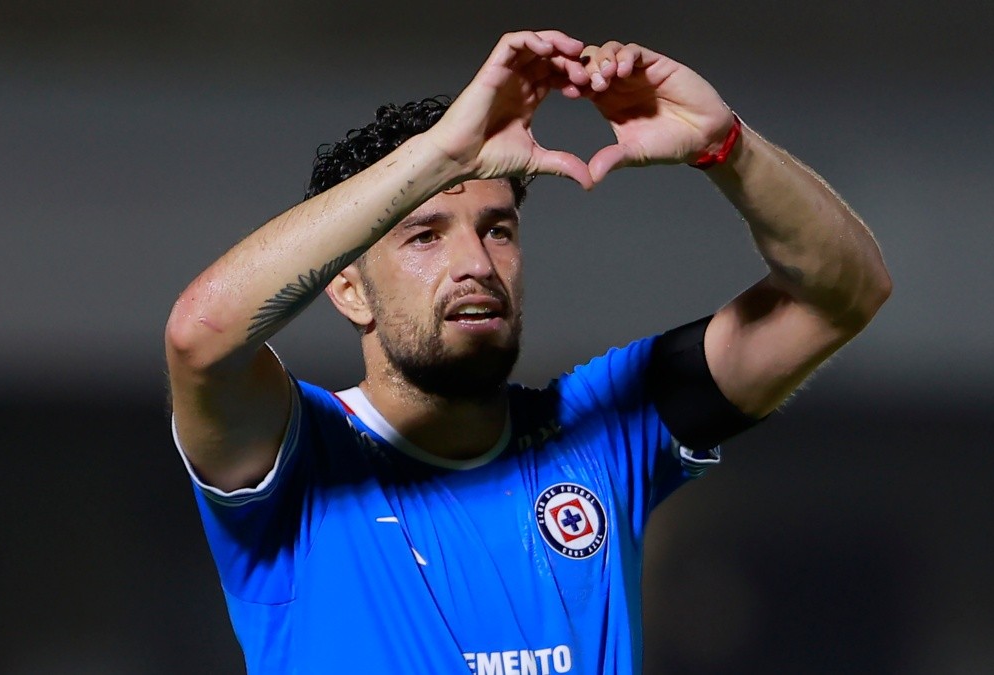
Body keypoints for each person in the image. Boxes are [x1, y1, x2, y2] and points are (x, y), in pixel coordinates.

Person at [165, 29, 891, 674]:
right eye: (425, 235)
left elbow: (843, 295)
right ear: (350, 289)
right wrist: (442, 153)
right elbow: (201, 337)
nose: (476, 263)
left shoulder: (603, 430)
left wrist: (725, 145)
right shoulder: (296, 457)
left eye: (497, 230)